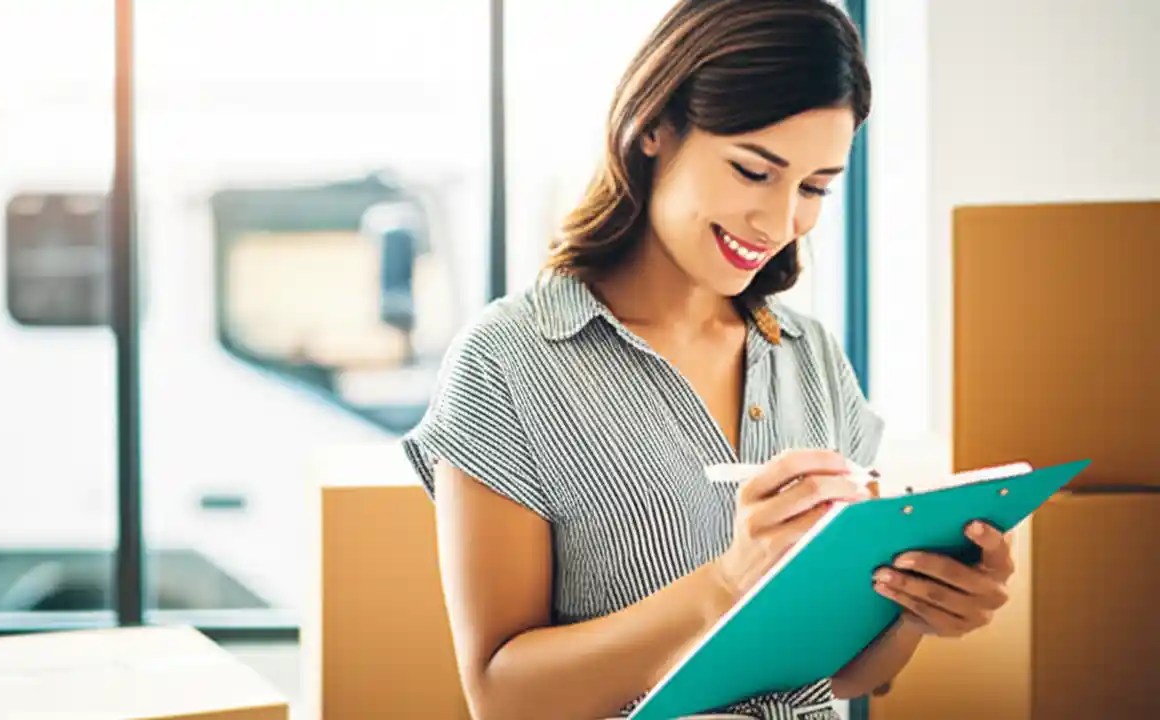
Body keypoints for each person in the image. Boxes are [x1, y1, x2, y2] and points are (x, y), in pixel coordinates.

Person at [401, 1, 1015, 717]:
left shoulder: (810, 358)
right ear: (653, 127)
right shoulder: (508, 361)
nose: (782, 223)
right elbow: (502, 698)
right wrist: (728, 582)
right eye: (754, 171)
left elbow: (846, 675)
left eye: (815, 187)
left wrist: (920, 606)